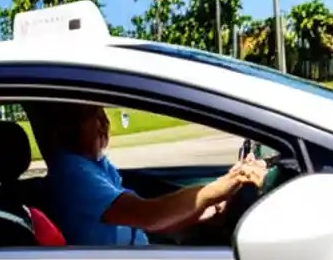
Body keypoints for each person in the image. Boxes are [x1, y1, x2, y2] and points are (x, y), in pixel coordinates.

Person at [42, 104, 267, 246]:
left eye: (100, 112)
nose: (103, 122)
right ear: (68, 126)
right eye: (91, 115)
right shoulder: (72, 172)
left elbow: (153, 220)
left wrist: (208, 208)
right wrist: (225, 184)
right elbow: (148, 216)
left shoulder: (94, 164)